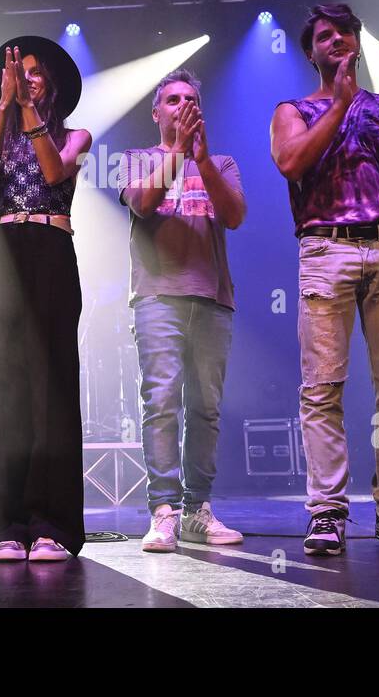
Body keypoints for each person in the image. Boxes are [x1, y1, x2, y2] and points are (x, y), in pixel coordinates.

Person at [270, 4, 379, 555]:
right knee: (322, 389)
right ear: (311, 51)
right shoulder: (294, 108)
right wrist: (338, 103)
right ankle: (328, 512)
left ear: (358, 41)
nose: (336, 39)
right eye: (324, 35)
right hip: (325, 248)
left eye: (345, 32)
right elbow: (290, 162)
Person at [117, 70, 246, 552]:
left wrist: (202, 159)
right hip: (157, 300)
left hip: (213, 300)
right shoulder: (135, 160)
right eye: (171, 99)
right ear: (157, 113)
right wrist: (176, 152)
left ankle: (197, 510)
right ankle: (164, 510)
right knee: (162, 404)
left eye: (190, 99)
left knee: (205, 409)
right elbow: (145, 203)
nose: (181, 106)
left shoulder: (223, 163)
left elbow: (234, 216)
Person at [0, 36, 91, 562]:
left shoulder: (75, 134)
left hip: (50, 246)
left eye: (34, 71)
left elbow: (51, 172)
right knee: (3, 388)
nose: (24, 77)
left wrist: (26, 110)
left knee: (52, 390)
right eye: (15, 71)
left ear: (53, 82)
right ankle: (5, 526)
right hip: (2, 248)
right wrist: (4, 105)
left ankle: (53, 527)